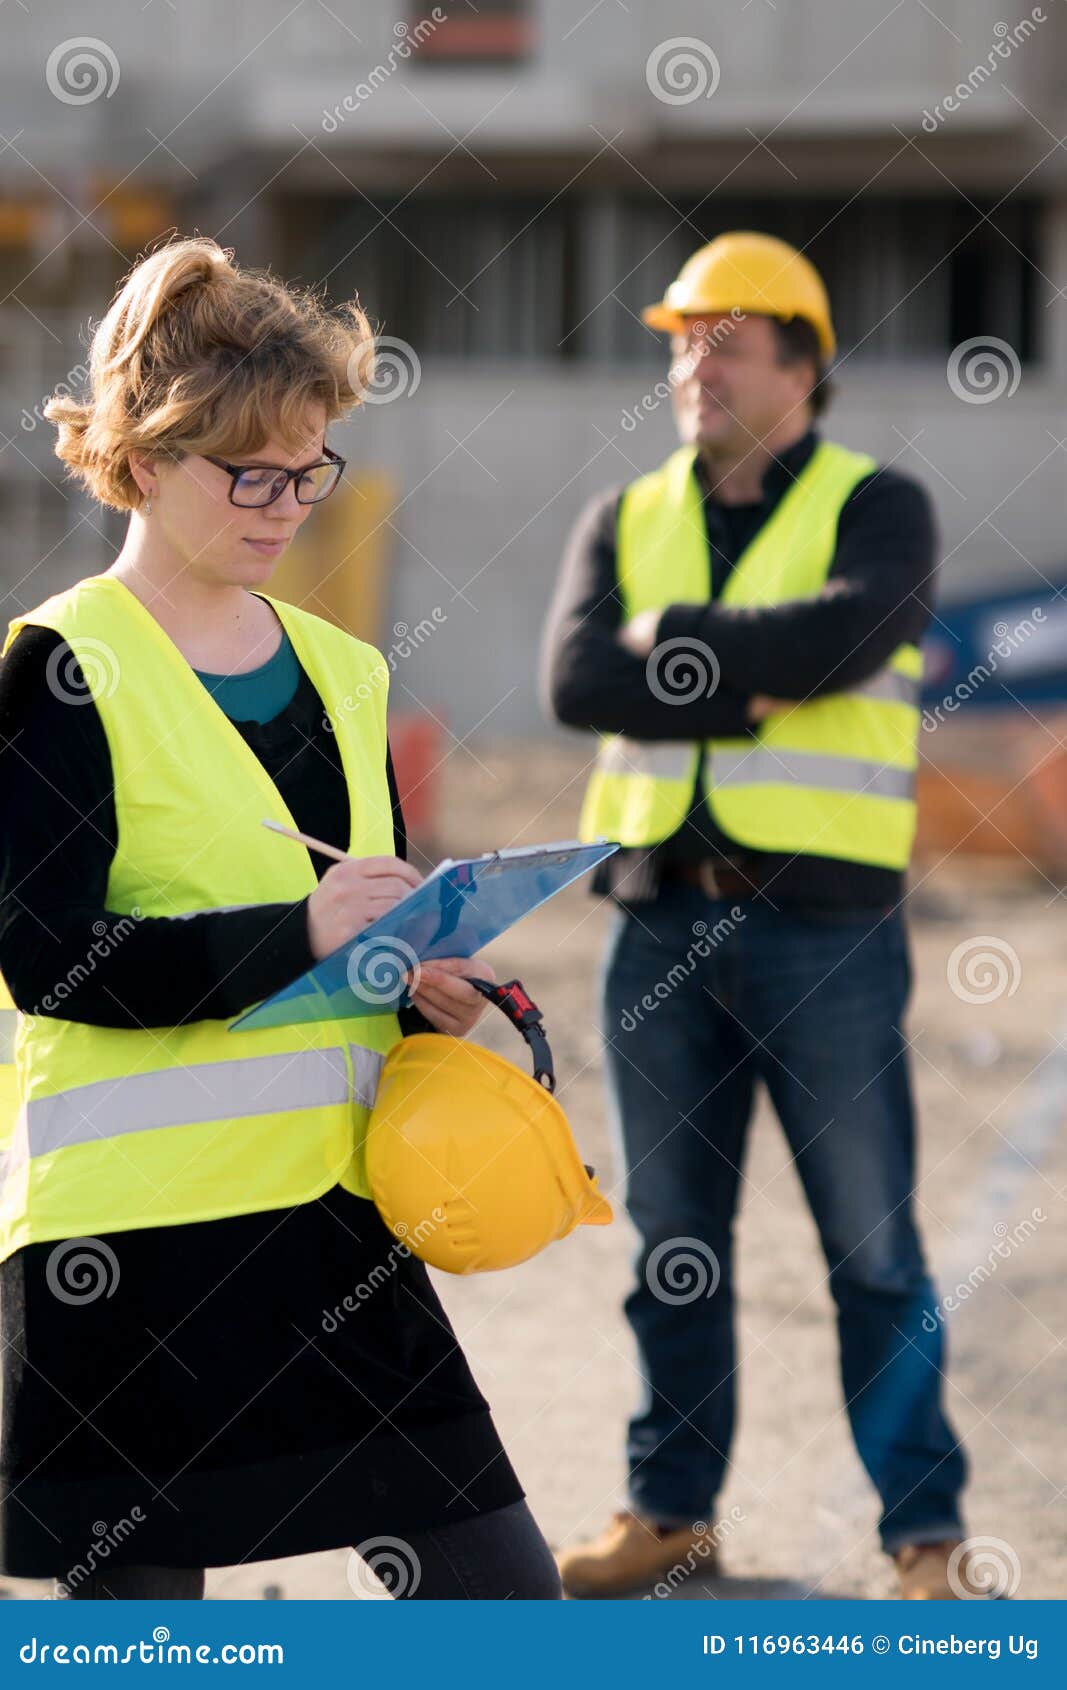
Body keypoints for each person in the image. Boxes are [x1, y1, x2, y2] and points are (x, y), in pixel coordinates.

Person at [0, 236, 561, 1601]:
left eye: (308, 468)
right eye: (249, 472)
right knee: (144, 1640)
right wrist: (297, 935)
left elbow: (368, 917)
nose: (285, 501)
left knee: (504, 1607)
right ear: (142, 460)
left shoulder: (347, 674)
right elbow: (46, 960)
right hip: (125, 1259)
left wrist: (417, 973)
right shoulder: (60, 666)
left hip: (330, 1228)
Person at [542, 233, 970, 1601]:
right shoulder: (623, 513)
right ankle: (670, 1511)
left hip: (824, 930)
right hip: (657, 925)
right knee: (669, 1249)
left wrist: (663, 650)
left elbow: (849, 633)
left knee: (871, 1249)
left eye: (725, 338)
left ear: (803, 361)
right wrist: (750, 676)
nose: (693, 362)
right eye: (681, 339)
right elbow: (571, 679)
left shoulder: (879, 502)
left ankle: (925, 1534)